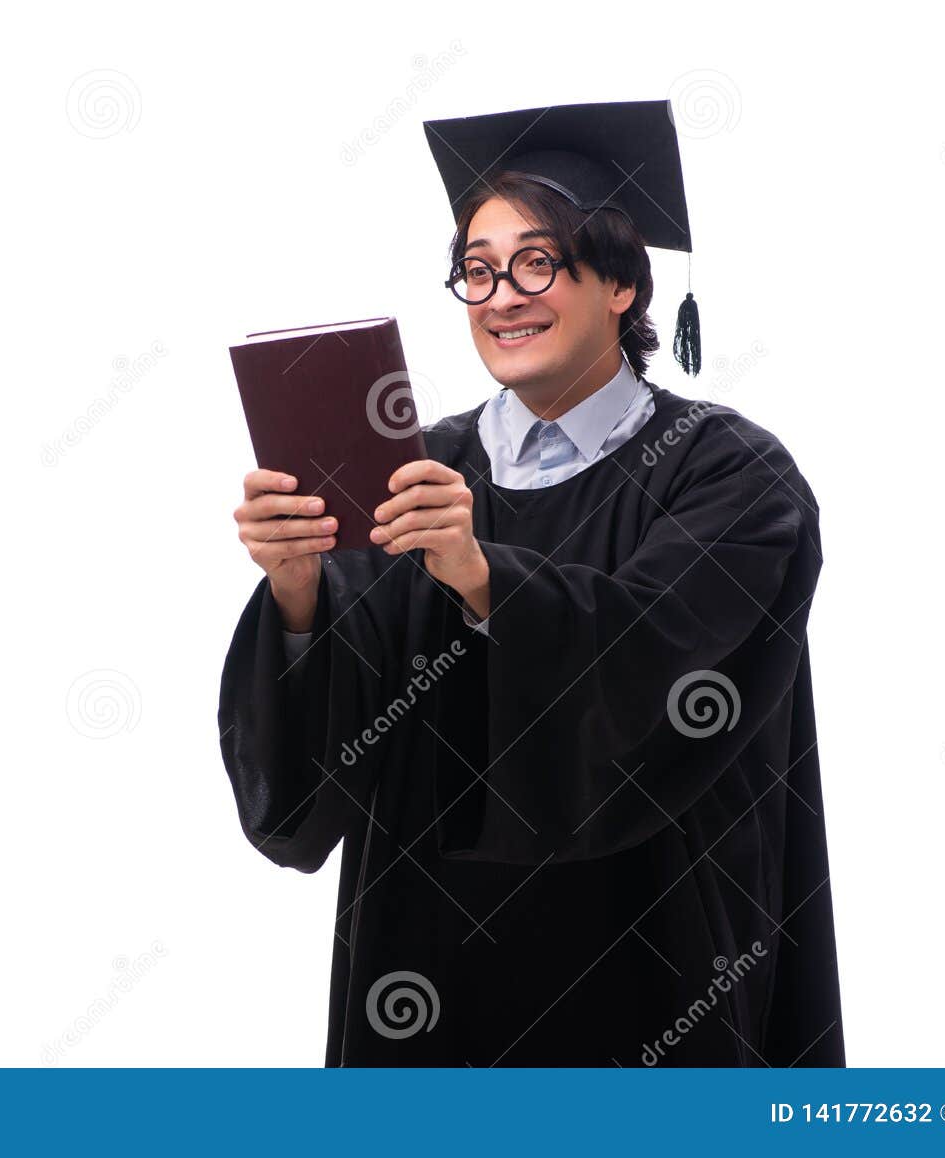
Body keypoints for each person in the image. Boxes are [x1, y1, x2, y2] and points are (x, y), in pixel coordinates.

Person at [218, 100, 844, 1066]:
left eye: (536, 261)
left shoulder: (729, 473)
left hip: (653, 967)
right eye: (476, 269)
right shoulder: (419, 469)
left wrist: (479, 576)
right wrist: (300, 594)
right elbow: (331, 749)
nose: (502, 293)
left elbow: (658, 669)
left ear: (624, 284)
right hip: (422, 973)